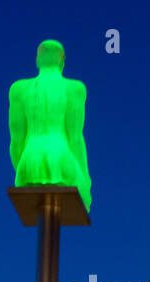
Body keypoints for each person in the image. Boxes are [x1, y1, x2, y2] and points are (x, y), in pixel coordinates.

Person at [8, 39, 92, 210]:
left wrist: (21, 169)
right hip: (61, 159)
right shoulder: (75, 88)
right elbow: (75, 139)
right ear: (62, 61)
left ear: (37, 59)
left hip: (28, 163)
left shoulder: (18, 89)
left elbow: (16, 142)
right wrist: (86, 180)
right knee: (83, 194)